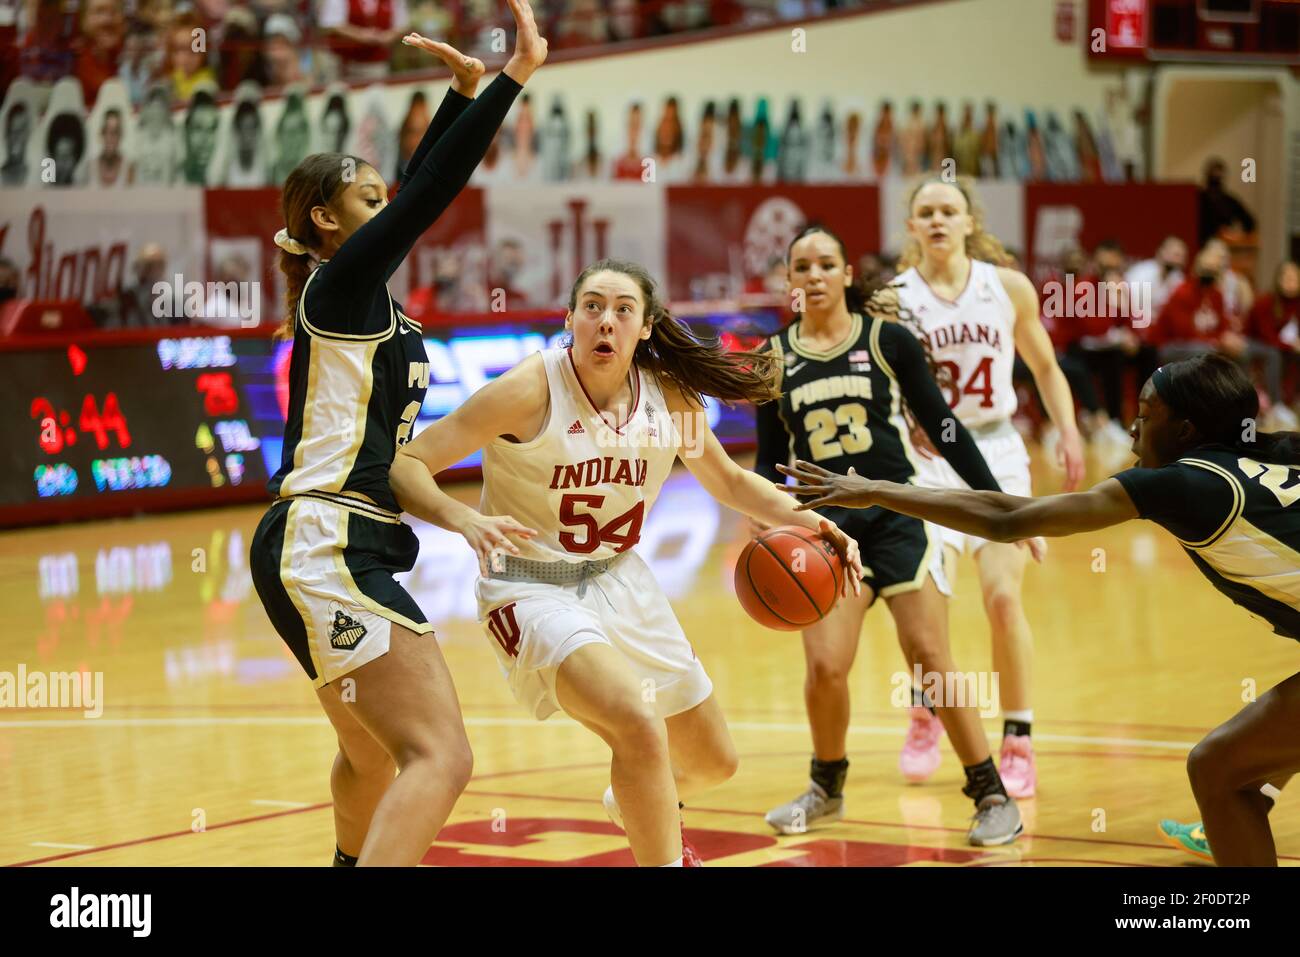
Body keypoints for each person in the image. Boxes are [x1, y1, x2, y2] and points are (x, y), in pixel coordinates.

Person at [388, 257, 862, 867]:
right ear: (569, 320)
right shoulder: (528, 390)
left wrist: (814, 522)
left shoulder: (668, 396)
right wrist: (466, 521)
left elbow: (729, 482)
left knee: (714, 762)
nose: (605, 321)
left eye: (622, 309)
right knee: (638, 723)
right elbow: (407, 463)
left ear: (644, 328)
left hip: (621, 578)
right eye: (592, 307)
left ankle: (633, 798)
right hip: (529, 587)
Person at [780, 352, 1300, 866]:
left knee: (1216, 771)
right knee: (1231, 767)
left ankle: (1232, 821)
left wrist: (873, 489)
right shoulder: (1274, 456)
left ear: (1185, 431)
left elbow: (1008, 518)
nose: (1133, 428)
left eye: (1145, 415)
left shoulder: (1181, 483)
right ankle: (1233, 819)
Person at [247, 4, 545, 867]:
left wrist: (460, 92)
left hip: (326, 537)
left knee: (373, 753)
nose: (387, 205)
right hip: (327, 538)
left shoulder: (358, 295)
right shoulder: (339, 289)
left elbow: (412, 192)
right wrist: (508, 81)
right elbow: (427, 195)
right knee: (442, 756)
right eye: (365, 197)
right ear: (328, 225)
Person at [755, 226, 1026, 846]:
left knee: (931, 658)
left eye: (827, 263)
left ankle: (990, 793)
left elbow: (945, 426)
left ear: (849, 274)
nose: (815, 274)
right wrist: (766, 512)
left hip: (897, 515)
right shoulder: (774, 357)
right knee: (825, 665)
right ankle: (826, 788)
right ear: (790, 281)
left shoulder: (888, 341)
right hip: (824, 529)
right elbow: (771, 460)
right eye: (803, 266)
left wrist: (1001, 508)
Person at [884, 178, 1083, 798]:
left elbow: (1046, 366)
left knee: (1002, 599)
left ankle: (1018, 738)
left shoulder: (1008, 286)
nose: (938, 220)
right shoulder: (891, 300)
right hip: (925, 459)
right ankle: (926, 712)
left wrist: (1068, 431)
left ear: (970, 221)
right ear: (911, 226)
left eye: (949, 210)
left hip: (995, 451)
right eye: (926, 212)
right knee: (928, 613)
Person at [1198, 156, 1256, 247]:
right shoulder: (1197, 198)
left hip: (1224, 245)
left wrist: (1234, 236)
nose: (1216, 176)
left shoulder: (1228, 200)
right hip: (1200, 245)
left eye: (1218, 174)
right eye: (1213, 173)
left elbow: (1249, 222)